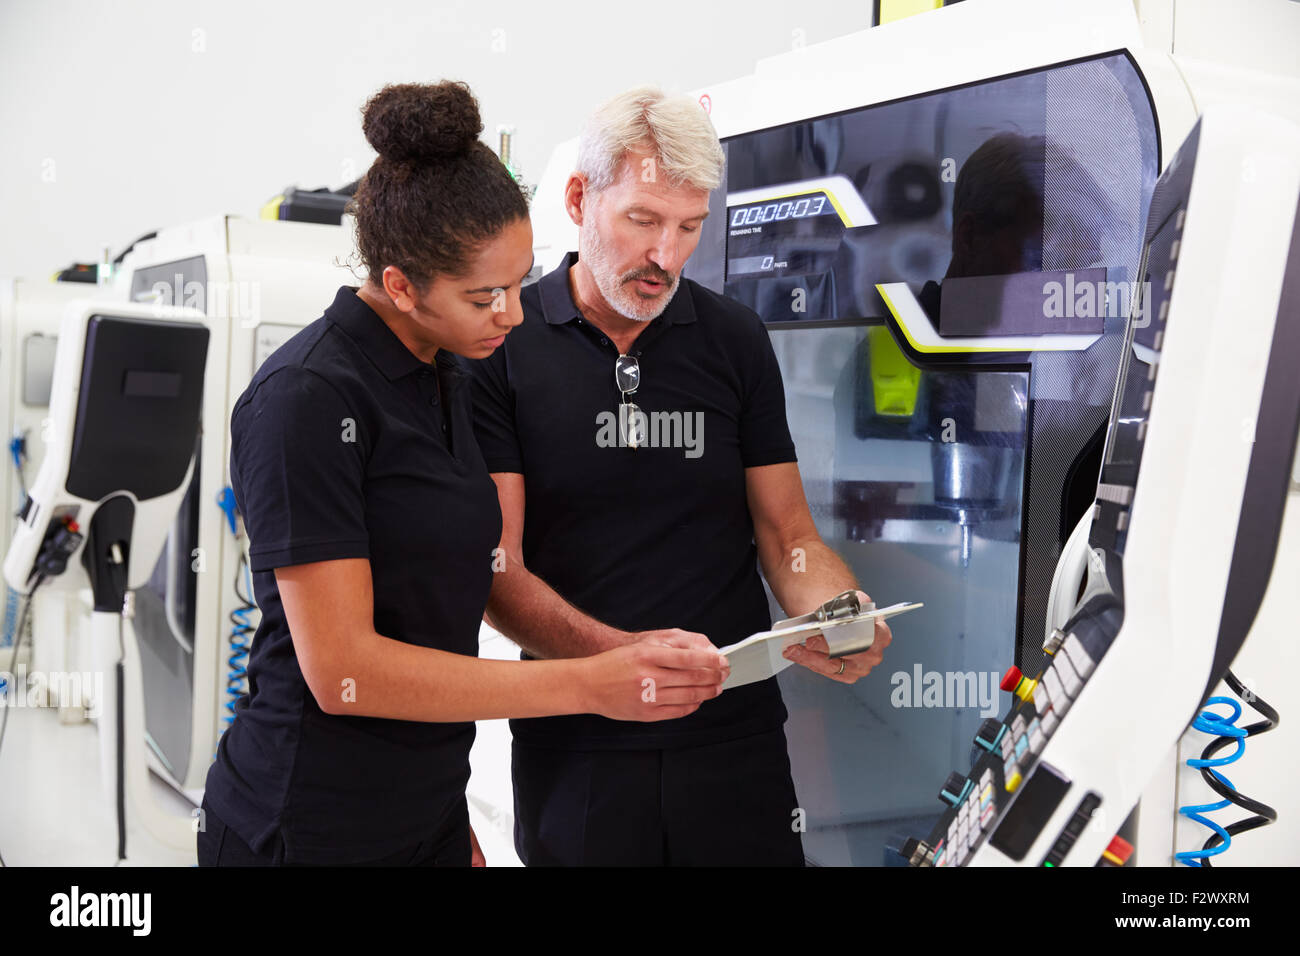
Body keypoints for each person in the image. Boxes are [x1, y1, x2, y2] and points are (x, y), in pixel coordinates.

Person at [197, 81, 727, 867]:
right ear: (402, 286)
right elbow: (346, 671)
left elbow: (470, 580)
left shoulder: (446, 374)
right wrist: (588, 683)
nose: (513, 315)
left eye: (520, 283)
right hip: (309, 824)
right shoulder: (306, 399)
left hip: (424, 810)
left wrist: (451, 821)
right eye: (485, 297)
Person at [468, 86, 892, 866]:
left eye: (690, 227)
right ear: (578, 199)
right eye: (643, 221)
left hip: (734, 742)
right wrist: (617, 664)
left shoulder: (733, 340)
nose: (666, 255)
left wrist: (833, 609)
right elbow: (502, 573)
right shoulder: (505, 347)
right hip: (581, 743)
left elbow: (787, 534)